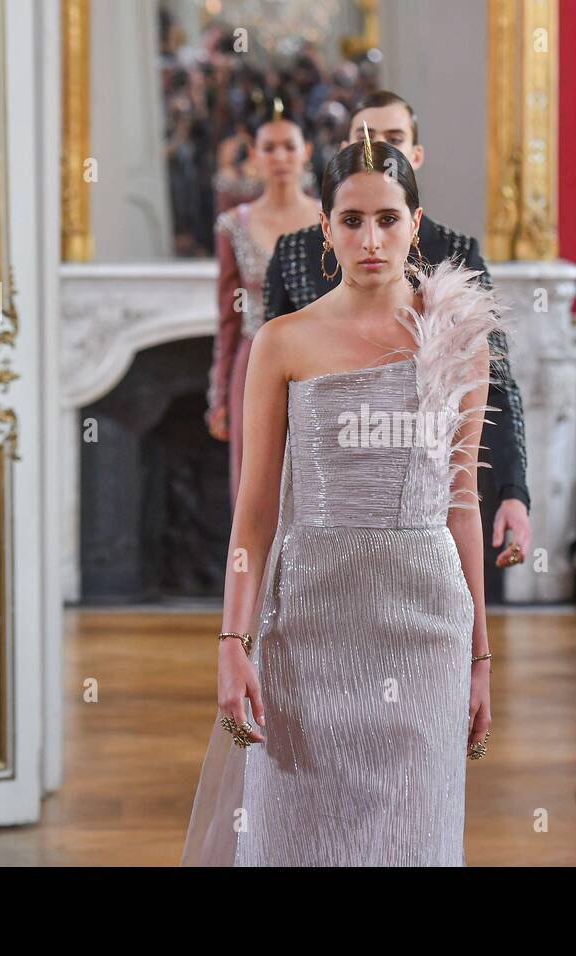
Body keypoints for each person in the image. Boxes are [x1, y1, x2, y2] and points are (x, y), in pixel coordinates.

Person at [181, 131, 496, 866]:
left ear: (415, 224)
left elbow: (462, 504)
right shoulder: (284, 342)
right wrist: (233, 643)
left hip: (426, 628)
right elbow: (254, 512)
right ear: (325, 229)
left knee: (414, 842)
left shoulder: (458, 337)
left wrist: (481, 655)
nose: (371, 238)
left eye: (388, 218)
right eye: (351, 220)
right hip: (308, 625)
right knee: (297, 839)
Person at [260, 89, 531, 570]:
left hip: (420, 507)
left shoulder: (456, 252)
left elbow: (496, 382)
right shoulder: (295, 252)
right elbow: (271, 401)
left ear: (416, 155)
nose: (378, 149)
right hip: (322, 503)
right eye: (365, 137)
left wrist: (513, 491)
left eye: (395, 138)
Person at [205, 98, 321, 511]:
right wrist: (218, 393)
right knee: (254, 490)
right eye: (269, 148)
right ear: (253, 156)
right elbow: (227, 317)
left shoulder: (331, 219)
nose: (280, 157)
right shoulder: (233, 225)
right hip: (253, 362)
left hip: (318, 363)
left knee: (316, 486)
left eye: (289, 146)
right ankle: (251, 576)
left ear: (306, 151)